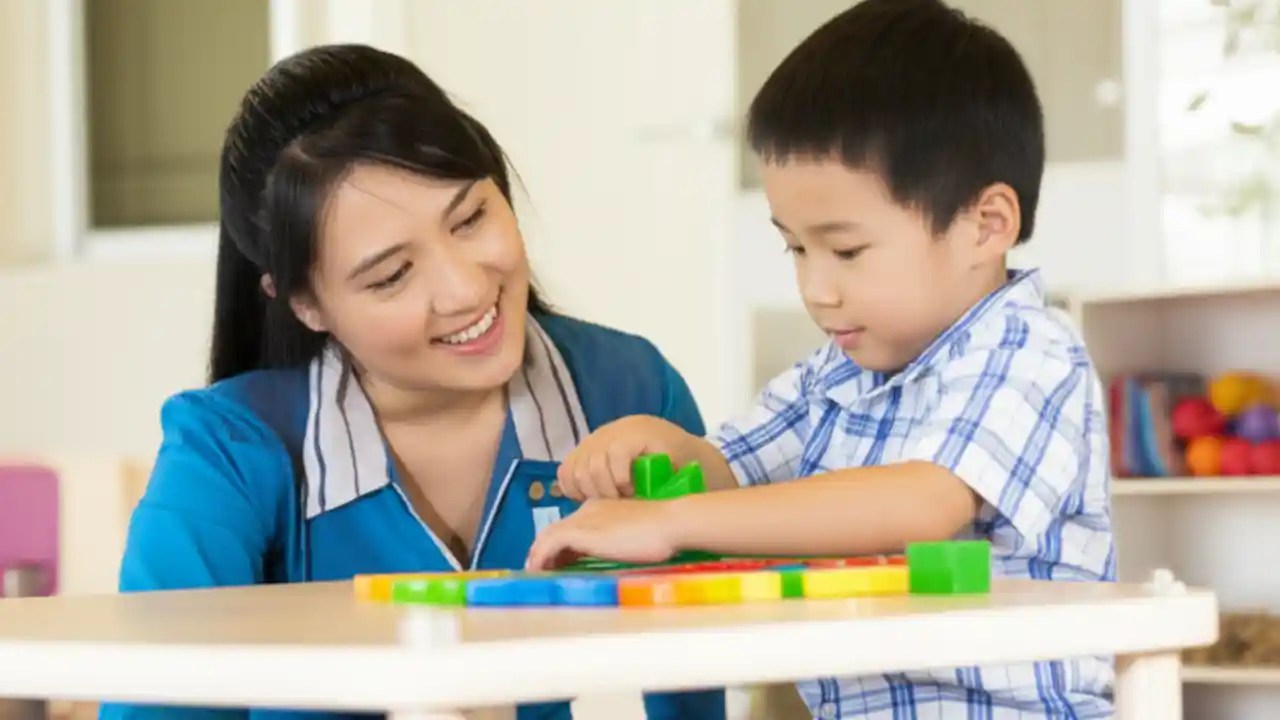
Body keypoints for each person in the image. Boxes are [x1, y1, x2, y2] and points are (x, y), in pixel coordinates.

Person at [100, 44, 724, 720]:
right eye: (392, 275)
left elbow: (695, 675)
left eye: (470, 220)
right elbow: (160, 707)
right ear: (304, 304)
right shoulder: (227, 452)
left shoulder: (628, 393)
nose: (463, 290)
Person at [527, 1, 1115, 717]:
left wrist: (675, 522)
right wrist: (664, 446)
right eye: (796, 248)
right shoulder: (836, 374)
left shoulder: (1031, 352)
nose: (815, 287)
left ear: (985, 226)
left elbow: (920, 502)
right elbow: (732, 473)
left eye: (846, 250)